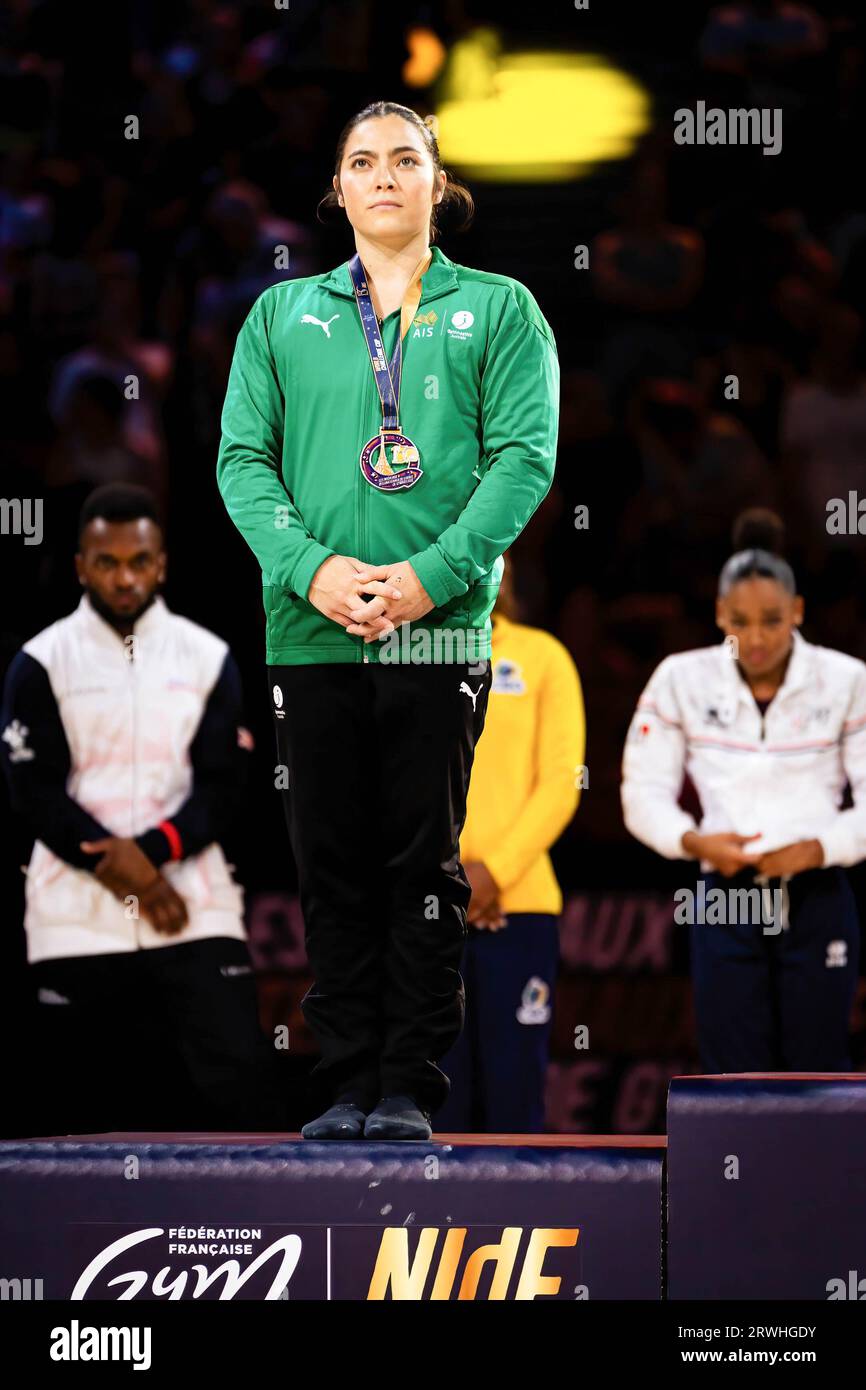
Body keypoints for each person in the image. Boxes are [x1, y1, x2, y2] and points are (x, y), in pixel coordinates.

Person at [216, 100, 560, 1140]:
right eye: (361, 161)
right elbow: (242, 460)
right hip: (311, 624)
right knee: (328, 859)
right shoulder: (281, 316)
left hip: (439, 621)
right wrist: (309, 568)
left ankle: (405, 1083)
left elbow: (523, 458)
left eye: (403, 160)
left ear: (434, 182)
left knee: (420, 860)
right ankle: (344, 1083)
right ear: (337, 189)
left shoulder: (500, 308)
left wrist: (432, 574)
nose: (382, 177)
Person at [0, 483, 285, 1135]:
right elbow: (32, 792)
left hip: (192, 911)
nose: (123, 578)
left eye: (138, 561)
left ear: (161, 564)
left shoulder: (206, 656)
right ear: (81, 566)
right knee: (79, 1121)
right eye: (107, 562)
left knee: (237, 1102)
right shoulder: (41, 661)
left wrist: (151, 857)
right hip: (77, 918)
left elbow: (224, 787)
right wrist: (126, 872)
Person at [621, 509, 864, 1072]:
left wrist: (817, 849)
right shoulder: (680, 678)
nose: (755, 638)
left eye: (772, 621)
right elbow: (642, 793)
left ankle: (816, 1167)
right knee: (732, 1070)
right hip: (725, 892)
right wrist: (696, 843)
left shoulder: (848, 680)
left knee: (818, 1066)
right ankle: (738, 1166)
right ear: (719, 615)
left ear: (798, 612)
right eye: (740, 622)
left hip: (815, 889)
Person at [435, 557, 585, 1133]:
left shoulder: (545, 658)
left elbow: (561, 781)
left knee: (515, 1094)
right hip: (432, 909)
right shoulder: (406, 655)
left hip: (519, 908)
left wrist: (494, 872)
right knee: (438, 1095)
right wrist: (446, 876)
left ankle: (520, 1222)